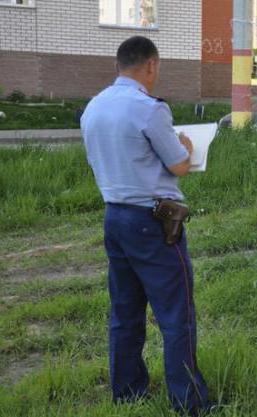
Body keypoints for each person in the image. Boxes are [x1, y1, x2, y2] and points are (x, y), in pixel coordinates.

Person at [80, 36, 210, 416]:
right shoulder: (149, 109)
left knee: (125, 312)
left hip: (114, 216)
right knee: (176, 314)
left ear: (119, 65)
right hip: (154, 221)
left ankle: (128, 391)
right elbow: (180, 166)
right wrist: (184, 145)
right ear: (151, 65)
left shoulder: (94, 106)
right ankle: (190, 403)